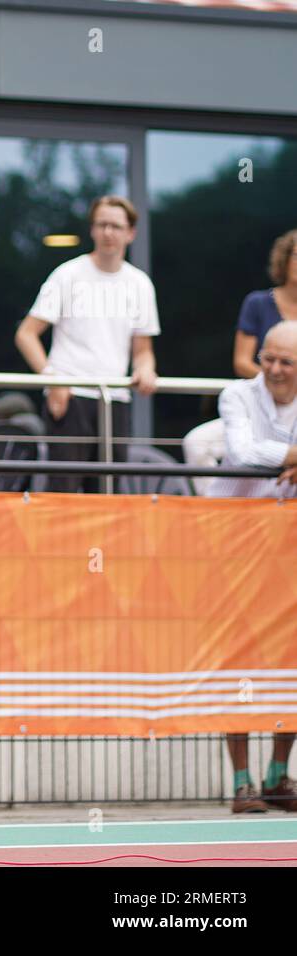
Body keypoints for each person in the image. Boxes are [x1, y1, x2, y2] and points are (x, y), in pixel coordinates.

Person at [208, 320, 297, 812]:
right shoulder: (236, 394)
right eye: (269, 358)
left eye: (287, 362)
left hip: (288, 546)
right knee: (237, 658)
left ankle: (278, 777)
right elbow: (243, 453)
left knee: (292, 657)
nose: (275, 370)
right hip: (234, 544)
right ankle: (243, 783)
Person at [14, 196, 159, 493]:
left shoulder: (139, 283)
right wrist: (53, 380)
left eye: (116, 226)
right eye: (102, 225)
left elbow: (143, 351)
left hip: (115, 399)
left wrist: (146, 370)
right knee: (64, 492)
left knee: (107, 495)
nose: (108, 233)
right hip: (71, 395)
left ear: (130, 233)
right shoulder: (68, 275)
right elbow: (26, 334)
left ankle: (99, 544)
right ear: (92, 230)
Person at [233, 229, 297, 378]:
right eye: (296, 255)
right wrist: (278, 380)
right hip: (263, 396)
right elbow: (242, 363)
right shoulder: (257, 303)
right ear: (285, 259)